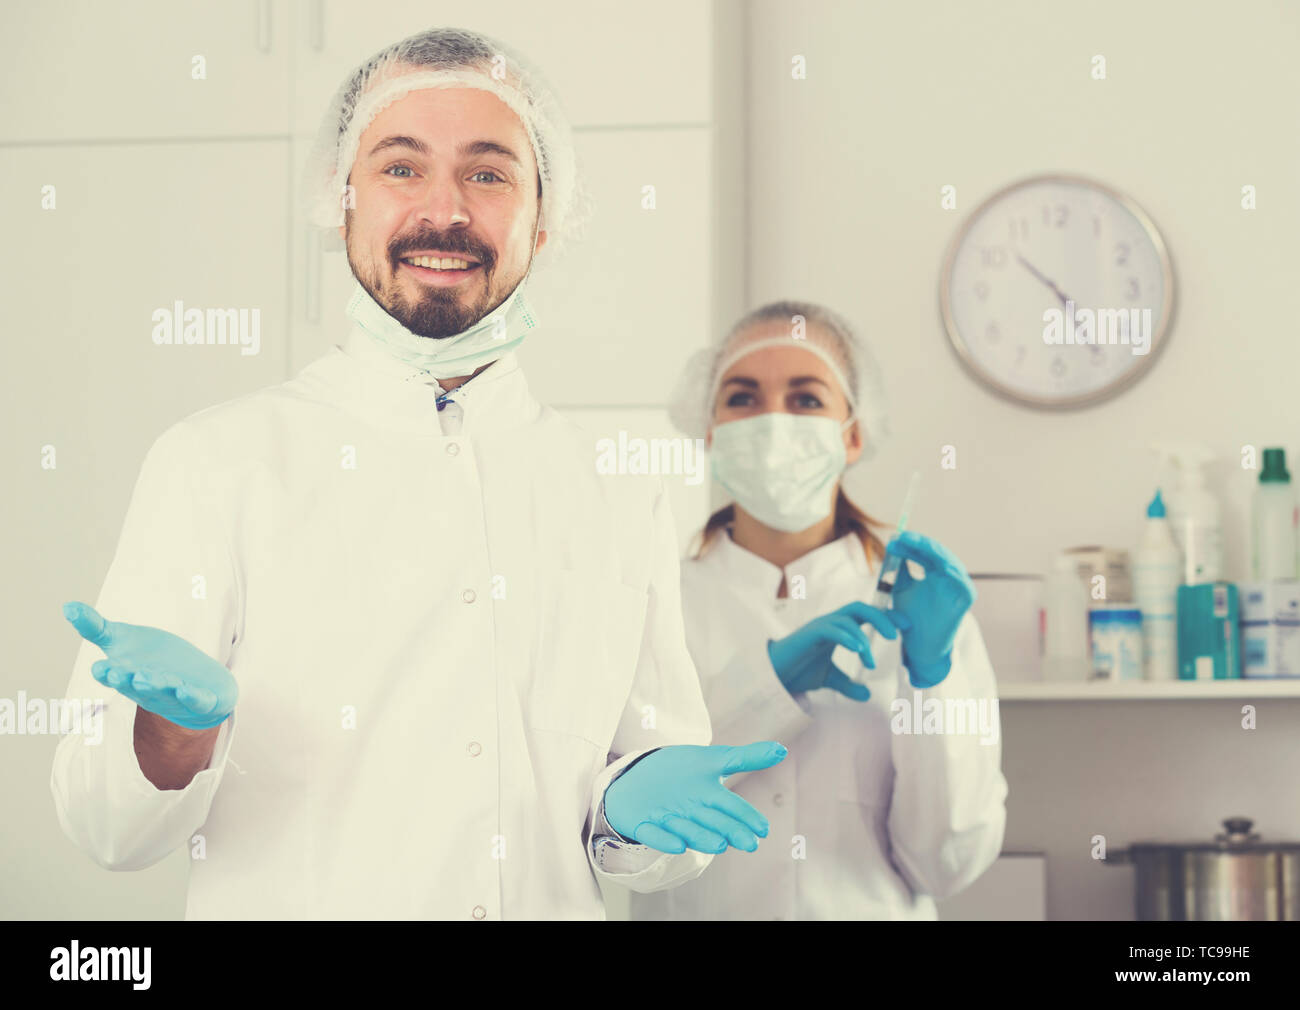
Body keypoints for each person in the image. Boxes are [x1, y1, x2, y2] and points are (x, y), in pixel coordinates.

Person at [50, 27, 785, 921]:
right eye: (402, 168)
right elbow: (104, 830)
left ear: (545, 216)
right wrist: (172, 733)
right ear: (341, 200)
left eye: (489, 172)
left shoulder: (615, 488)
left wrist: (627, 812)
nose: (446, 212)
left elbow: (652, 827)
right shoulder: (218, 461)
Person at [630, 301, 1008, 920]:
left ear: (853, 433)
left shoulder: (920, 609)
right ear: (709, 431)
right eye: (743, 398)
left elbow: (945, 865)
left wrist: (932, 676)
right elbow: (633, 828)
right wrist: (767, 686)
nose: (774, 421)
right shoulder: (654, 602)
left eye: (806, 400)